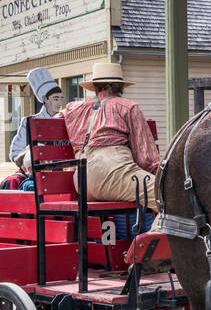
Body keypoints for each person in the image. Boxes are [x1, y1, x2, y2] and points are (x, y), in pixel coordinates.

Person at [60, 61, 160, 211]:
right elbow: (146, 159)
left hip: (82, 182)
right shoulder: (127, 107)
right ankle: (153, 234)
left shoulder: (74, 109)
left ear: (94, 88)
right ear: (120, 87)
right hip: (114, 174)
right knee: (167, 194)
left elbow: (50, 119)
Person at [9, 68, 64, 172]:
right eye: (56, 98)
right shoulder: (28, 122)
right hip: (37, 175)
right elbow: (15, 153)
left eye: (61, 98)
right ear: (45, 99)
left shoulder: (65, 121)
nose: (60, 102)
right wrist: (30, 163)